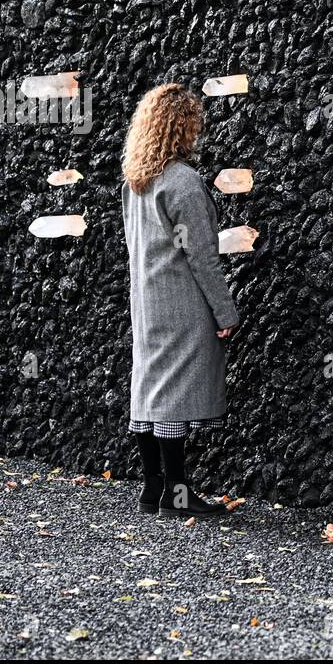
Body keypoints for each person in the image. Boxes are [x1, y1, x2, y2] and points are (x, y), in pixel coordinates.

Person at [120, 83, 239, 519]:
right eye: (194, 123)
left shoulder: (136, 181)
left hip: (148, 300)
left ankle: (153, 490)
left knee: (149, 387)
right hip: (182, 303)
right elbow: (202, 256)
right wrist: (224, 311)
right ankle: (178, 494)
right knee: (172, 396)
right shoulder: (183, 182)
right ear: (182, 127)